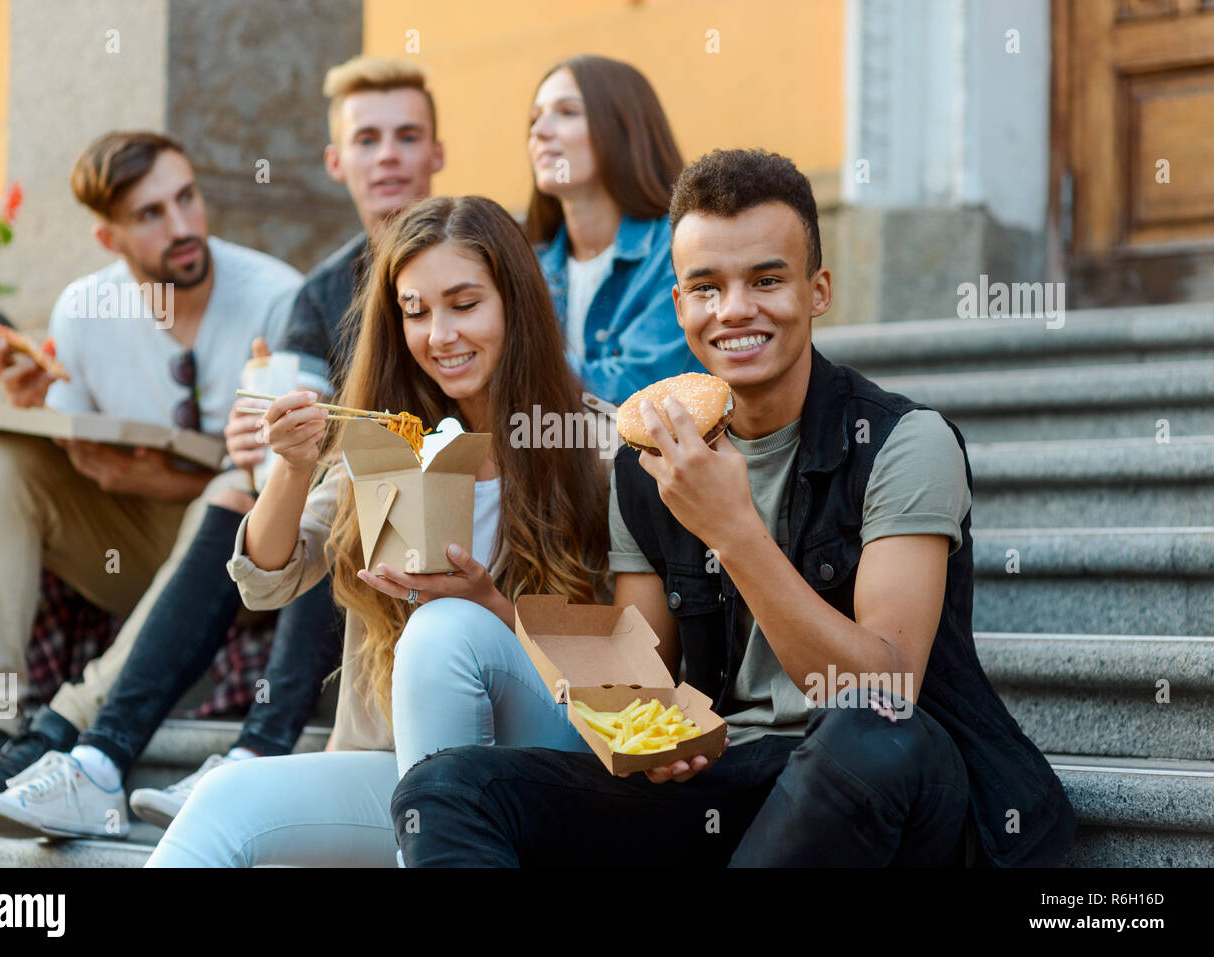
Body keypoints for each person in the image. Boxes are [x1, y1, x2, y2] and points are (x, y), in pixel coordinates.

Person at [388, 149, 1078, 868]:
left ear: (818, 290)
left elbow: (882, 682)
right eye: (706, 287)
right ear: (680, 304)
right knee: (442, 788)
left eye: (766, 280)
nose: (735, 309)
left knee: (865, 729)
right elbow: (642, 677)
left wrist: (732, 526)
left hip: (892, 786)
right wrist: (508, 618)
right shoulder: (646, 458)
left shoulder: (903, 442)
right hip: (728, 782)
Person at [0, 56, 447, 838]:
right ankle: (25, 737)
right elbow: (264, 451)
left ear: (437, 152)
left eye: (406, 136)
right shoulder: (316, 295)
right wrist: (43, 402)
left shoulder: (287, 286)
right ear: (335, 161)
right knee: (20, 460)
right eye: (368, 139)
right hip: (236, 539)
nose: (181, 224)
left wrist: (269, 458)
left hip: (393, 521)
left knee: (292, 481)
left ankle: (157, 741)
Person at [144, 195, 611, 866]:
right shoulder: (391, 441)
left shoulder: (593, 446)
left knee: (443, 627)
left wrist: (489, 608)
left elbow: (625, 667)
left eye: (464, 303)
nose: (439, 334)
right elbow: (266, 580)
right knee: (223, 799)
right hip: (406, 773)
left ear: (516, 302)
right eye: (415, 311)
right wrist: (293, 467)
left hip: (551, 765)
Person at [0, 130, 302, 819]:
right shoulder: (84, 309)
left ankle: (66, 725)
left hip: (248, 565)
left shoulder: (276, 296)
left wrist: (154, 479)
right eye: (151, 214)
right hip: (126, 550)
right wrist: (35, 405)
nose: (183, 226)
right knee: (5, 458)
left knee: (226, 489)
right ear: (108, 237)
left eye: (187, 198)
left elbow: (279, 486)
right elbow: (76, 448)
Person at [527, 54, 702, 404]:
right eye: (535, 118)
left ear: (624, 128)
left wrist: (518, 363)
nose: (539, 131)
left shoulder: (680, 251)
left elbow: (640, 389)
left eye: (567, 112)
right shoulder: (527, 264)